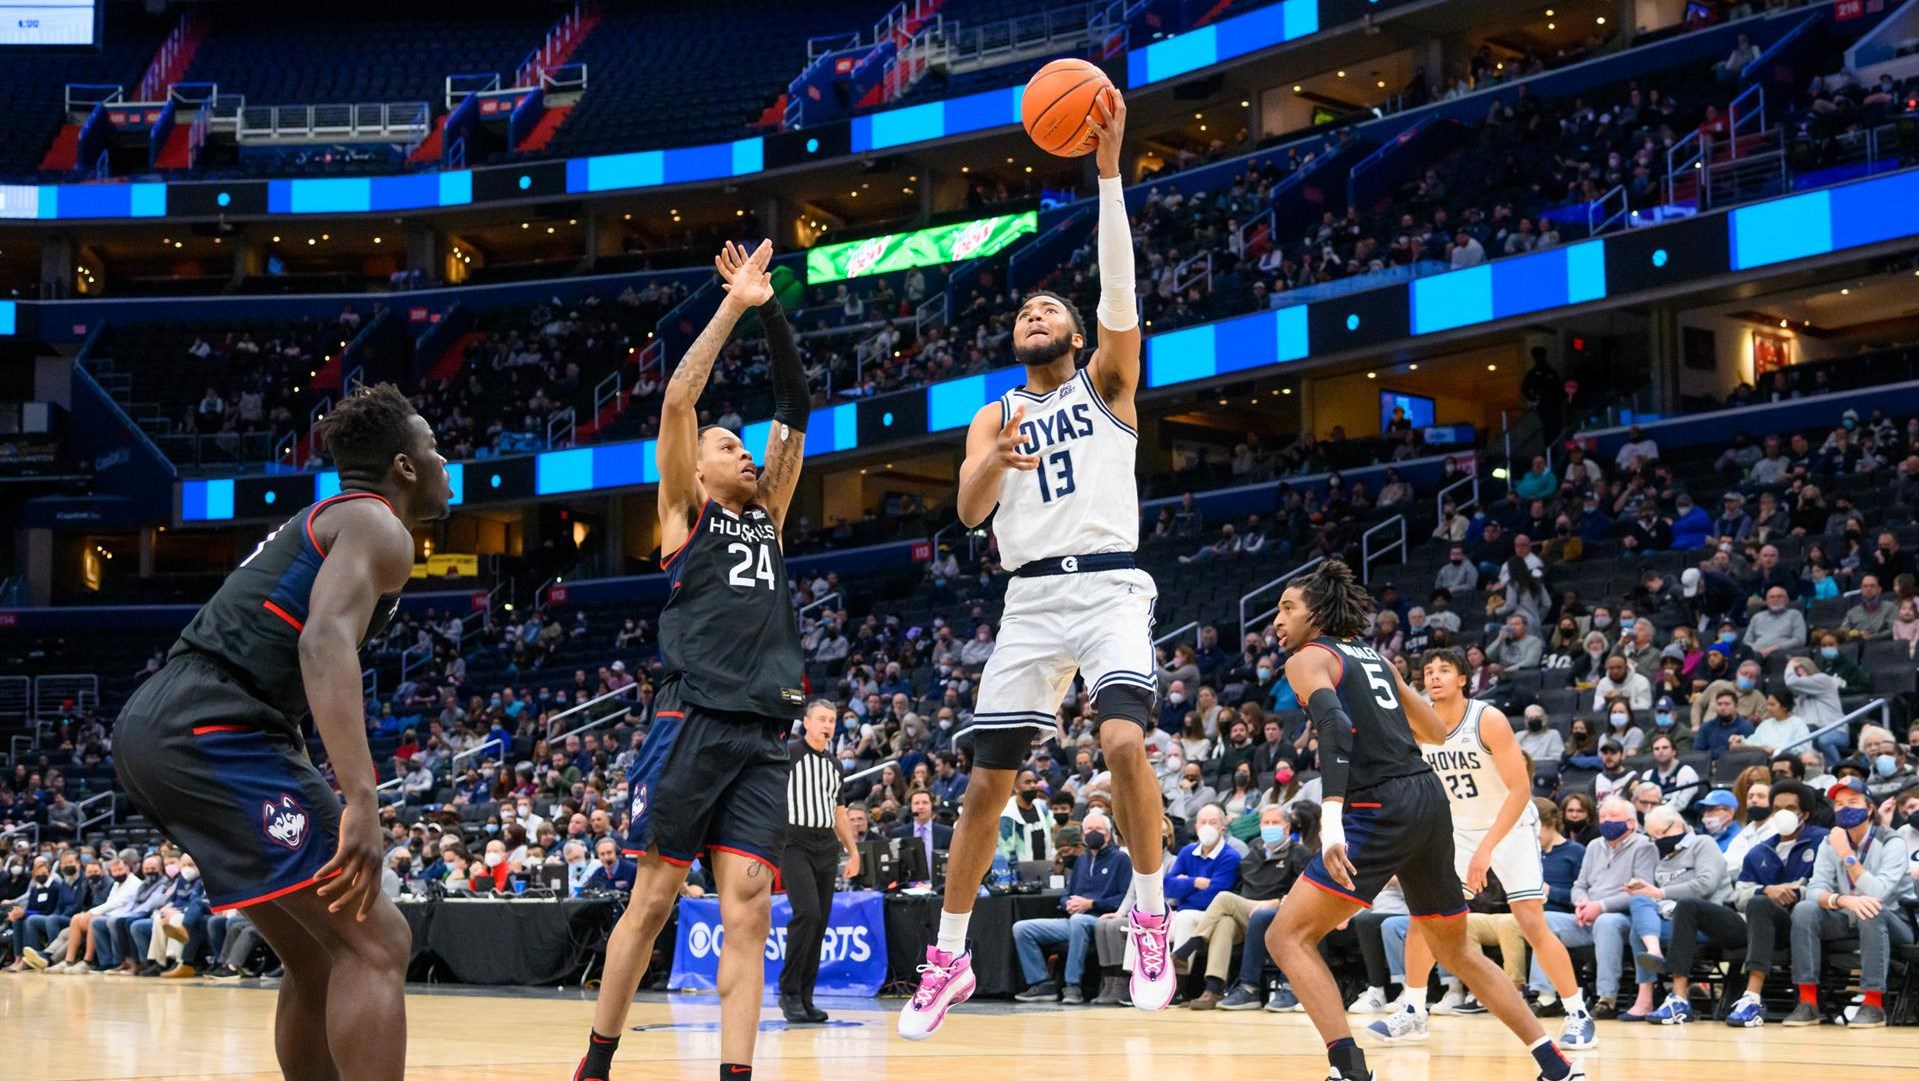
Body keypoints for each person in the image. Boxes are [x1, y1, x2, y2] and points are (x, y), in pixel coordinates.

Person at [899, 90, 1180, 1038]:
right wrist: (991, 460)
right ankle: (947, 958)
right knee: (985, 787)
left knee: (1123, 742)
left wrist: (1105, 177)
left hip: (1105, 582)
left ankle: (1149, 912)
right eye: (1024, 308)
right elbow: (970, 510)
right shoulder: (994, 413)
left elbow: (1118, 296)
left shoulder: (1108, 382)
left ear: (1072, 334)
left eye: (1047, 307)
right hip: (1026, 598)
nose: (1033, 311)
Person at [110, 383, 451, 1081]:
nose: (447, 461)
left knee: (320, 952)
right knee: (379, 938)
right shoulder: (379, 525)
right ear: (405, 465)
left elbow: (281, 653)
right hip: (208, 723)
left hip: (173, 719)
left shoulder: (328, 518)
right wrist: (360, 794)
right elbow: (322, 639)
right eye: (436, 448)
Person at [580, 241, 811, 1081]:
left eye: (744, 446)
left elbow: (797, 401)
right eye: (727, 444)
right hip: (690, 718)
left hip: (762, 730)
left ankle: (737, 1075)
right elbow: (681, 395)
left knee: (749, 909)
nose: (743, 452)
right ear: (700, 467)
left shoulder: (772, 514)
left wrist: (774, 309)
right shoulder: (685, 513)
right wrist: (733, 304)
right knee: (652, 901)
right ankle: (597, 1064)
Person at [1261, 561, 1582, 1081]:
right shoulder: (1377, 660)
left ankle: (1348, 1070)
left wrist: (1333, 819)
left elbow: (1334, 726)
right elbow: (1434, 729)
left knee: (1285, 937)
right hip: (1429, 799)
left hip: (1377, 806)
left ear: (1316, 614)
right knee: (1456, 950)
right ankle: (1556, 1063)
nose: (1277, 620)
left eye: (1287, 608)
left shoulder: (1308, 659)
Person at [1369, 649, 1595, 1050]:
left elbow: (1521, 788)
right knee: (1425, 916)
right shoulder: (1418, 724)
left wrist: (1487, 847)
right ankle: (1415, 1010)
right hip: (1457, 829)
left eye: (1444, 670)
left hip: (1508, 826)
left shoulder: (1486, 719)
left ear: (1463, 679)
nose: (1434, 677)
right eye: (1428, 672)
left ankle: (1577, 1013)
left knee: (1530, 921)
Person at [1782, 776, 1915, 1028]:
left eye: (1853, 802)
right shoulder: (1829, 841)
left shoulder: (1891, 841)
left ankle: (1873, 1004)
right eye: (1840, 804)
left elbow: (1879, 892)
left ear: (1869, 809)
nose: (1845, 808)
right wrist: (1842, 899)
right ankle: (1808, 1002)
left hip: (1896, 923)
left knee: (1870, 908)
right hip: (1847, 915)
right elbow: (1814, 889)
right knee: (1804, 909)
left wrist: (1847, 855)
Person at [779, 699, 861, 1024]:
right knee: (807, 914)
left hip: (826, 845)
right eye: (822, 719)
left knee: (820, 922)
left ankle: (805, 997)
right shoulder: (787, 754)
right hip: (794, 842)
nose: (828, 725)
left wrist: (852, 851)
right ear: (807, 722)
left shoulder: (835, 765)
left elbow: (840, 813)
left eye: (832, 720)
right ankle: (788, 992)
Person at [1011, 808, 1131, 1004]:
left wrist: (1092, 903)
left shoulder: (1120, 859)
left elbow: (1125, 898)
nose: (1093, 833)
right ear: (1082, 835)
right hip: (1074, 920)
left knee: (1078, 921)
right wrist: (1068, 903)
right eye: (1089, 829)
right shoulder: (1082, 861)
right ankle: (1042, 983)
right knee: (1022, 928)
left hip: (1101, 920)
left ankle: (1072, 985)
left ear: (1108, 835)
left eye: (1099, 829)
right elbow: (1067, 893)